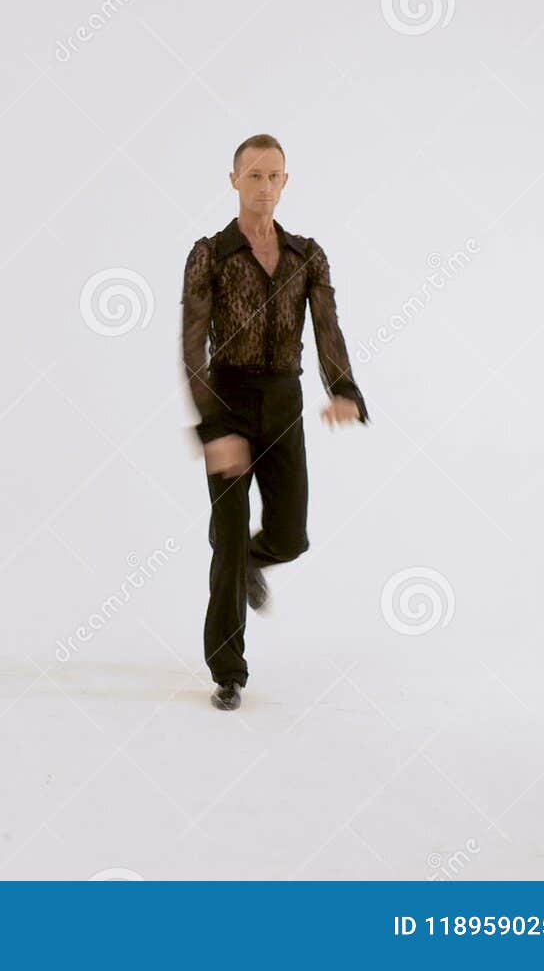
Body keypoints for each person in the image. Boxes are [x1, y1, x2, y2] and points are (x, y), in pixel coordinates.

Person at [179, 133, 370, 712]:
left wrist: (342, 389)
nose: (264, 186)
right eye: (253, 175)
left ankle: (248, 564)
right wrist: (214, 428)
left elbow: (327, 325)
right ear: (234, 181)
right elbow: (192, 346)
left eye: (274, 176)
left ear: (286, 183)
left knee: (289, 535)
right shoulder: (210, 253)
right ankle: (228, 672)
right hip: (229, 398)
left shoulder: (307, 254)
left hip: (284, 401)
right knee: (230, 541)